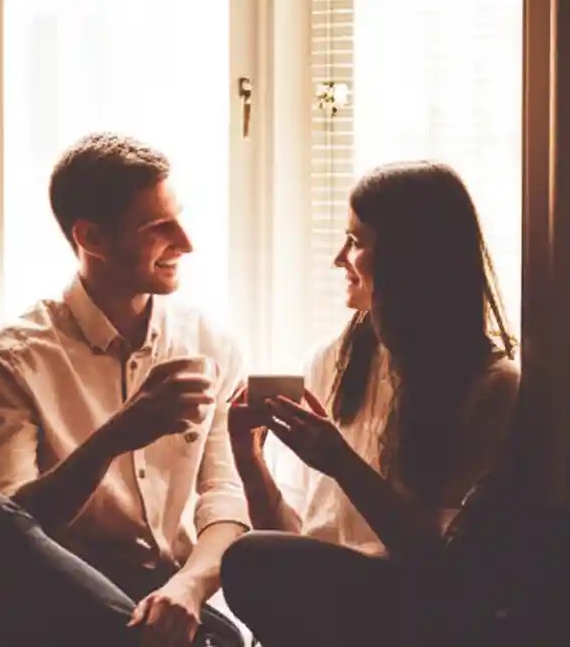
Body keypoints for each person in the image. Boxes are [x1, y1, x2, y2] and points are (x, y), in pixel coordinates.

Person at [0, 133, 249, 647]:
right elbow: (2, 533)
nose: (186, 242)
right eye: (158, 227)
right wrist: (118, 435)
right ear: (92, 239)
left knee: (215, 634)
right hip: (57, 594)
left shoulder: (208, 343)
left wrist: (188, 588)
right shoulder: (13, 359)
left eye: (180, 218)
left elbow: (223, 497)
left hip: (161, 591)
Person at [220, 161, 521, 647]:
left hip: (417, 609)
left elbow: (443, 566)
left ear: (407, 260)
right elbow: (295, 542)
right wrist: (248, 459)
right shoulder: (337, 361)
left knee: (248, 560)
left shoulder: (490, 385)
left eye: (357, 242)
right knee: (253, 557)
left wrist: (340, 461)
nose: (340, 257)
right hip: (330, 607)